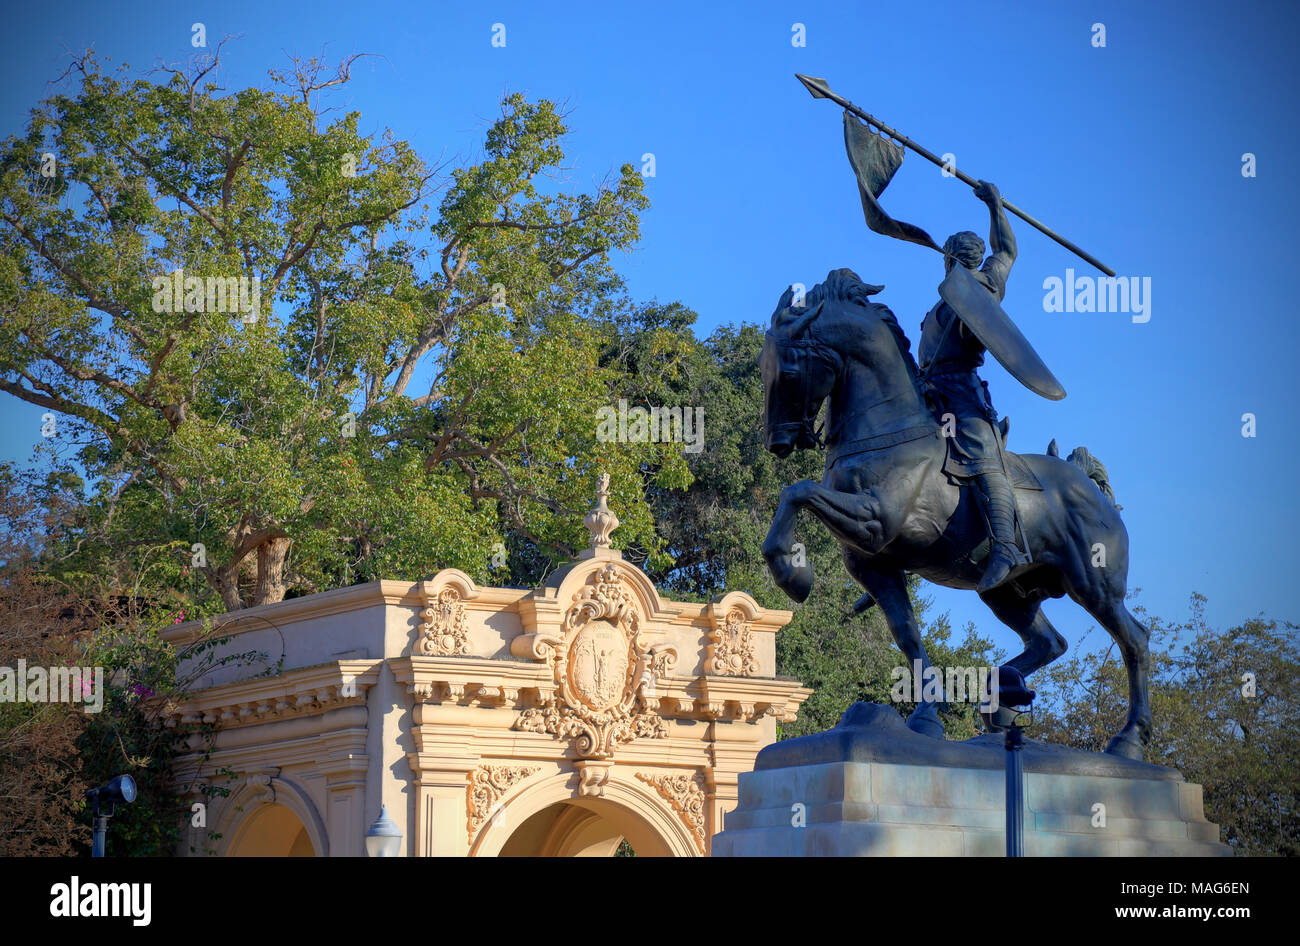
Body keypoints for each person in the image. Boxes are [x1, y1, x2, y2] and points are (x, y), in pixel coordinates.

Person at [917, 180, 1025, 592]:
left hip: (962, 393)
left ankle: (1006, 547)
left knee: (983, 458)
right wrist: (995, 206)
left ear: (948, 261)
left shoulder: (981, 290)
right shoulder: (948, 298)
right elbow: (1007, 250)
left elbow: (1005, 254)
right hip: (927, 391)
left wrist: (997, 206)